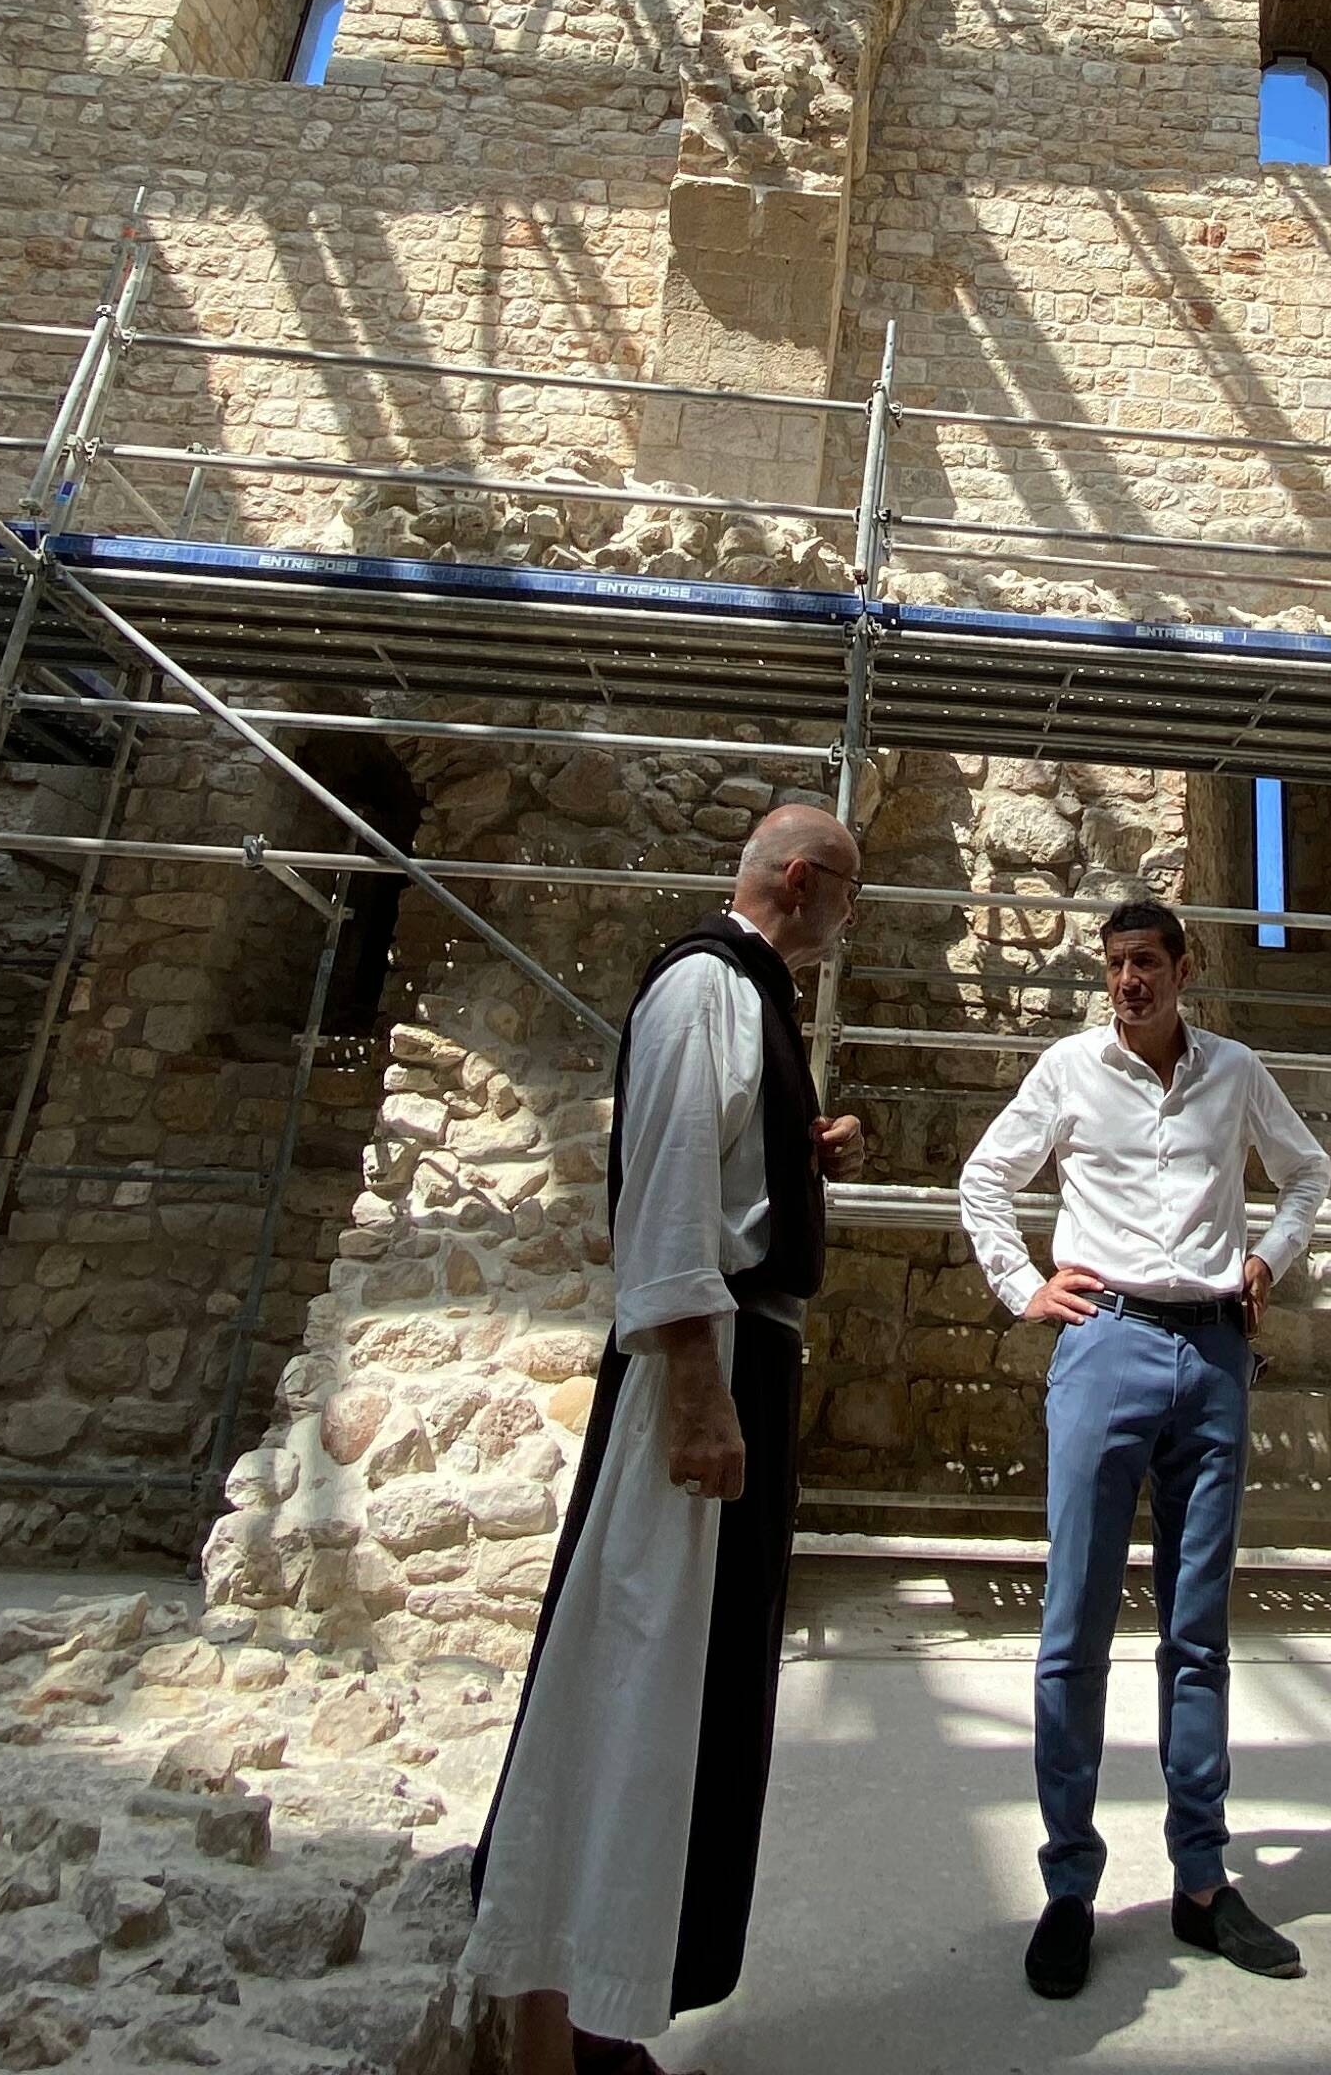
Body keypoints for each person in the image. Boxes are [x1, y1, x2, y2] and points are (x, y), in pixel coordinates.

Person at [466, 803, 869, 2075]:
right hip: (710, 1359)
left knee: (683, 1687)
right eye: (848, 890)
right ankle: (554, 2016)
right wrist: (696, 1386)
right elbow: (671, 1187)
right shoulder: (707, 986)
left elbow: (724, 1163)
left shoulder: (746, 996)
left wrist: (799, 1158)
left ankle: (598, 1996)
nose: (851, 917)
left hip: (739, 1349)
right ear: (797, 879)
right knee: (639, 1673)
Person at [959, 895, 1331, 1999]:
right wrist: (1023, 1285)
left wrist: (1269, 1260)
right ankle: (1070, 1886)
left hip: (1213, 1353)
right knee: (1073, 1625)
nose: (1129, 982)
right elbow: (986, 1178)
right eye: (1116, 965)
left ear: (1184, 966)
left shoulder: (1235, 1071)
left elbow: (1307, 1172)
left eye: (1146, 963)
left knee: (1197, 1630)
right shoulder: (1070, 1071)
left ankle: (1202, 1881)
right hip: (1107, 1342)